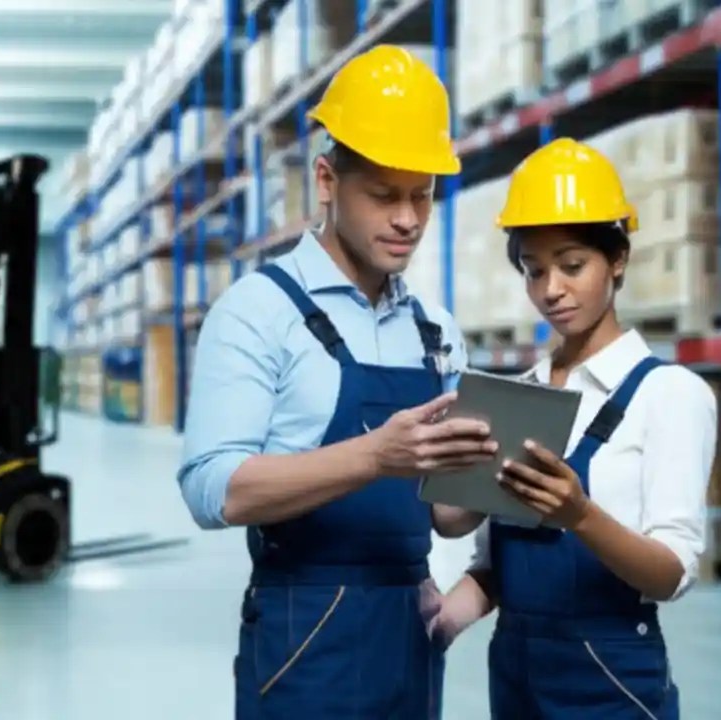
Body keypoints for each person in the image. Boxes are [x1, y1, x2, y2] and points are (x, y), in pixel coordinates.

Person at [177, 45, 498, 719]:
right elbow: (212, 489)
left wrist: (497, 480)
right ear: (326, 180)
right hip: (304, 638)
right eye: (383, 195)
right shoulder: (258, 311)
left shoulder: (435, 332)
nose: (407, 219)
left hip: (410, 633)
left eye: (421, 195)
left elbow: (445, 517)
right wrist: (375, 456)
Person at [427, 138, 718, 719]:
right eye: (534, 271)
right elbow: (493, 568)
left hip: (612, 679)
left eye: (572, 265)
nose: (550, 289)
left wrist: (580, 516)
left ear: (618, 259)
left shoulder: (670, 394)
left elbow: (670, 573)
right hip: (516, 675)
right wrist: (437, 624)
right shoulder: (518, 397)